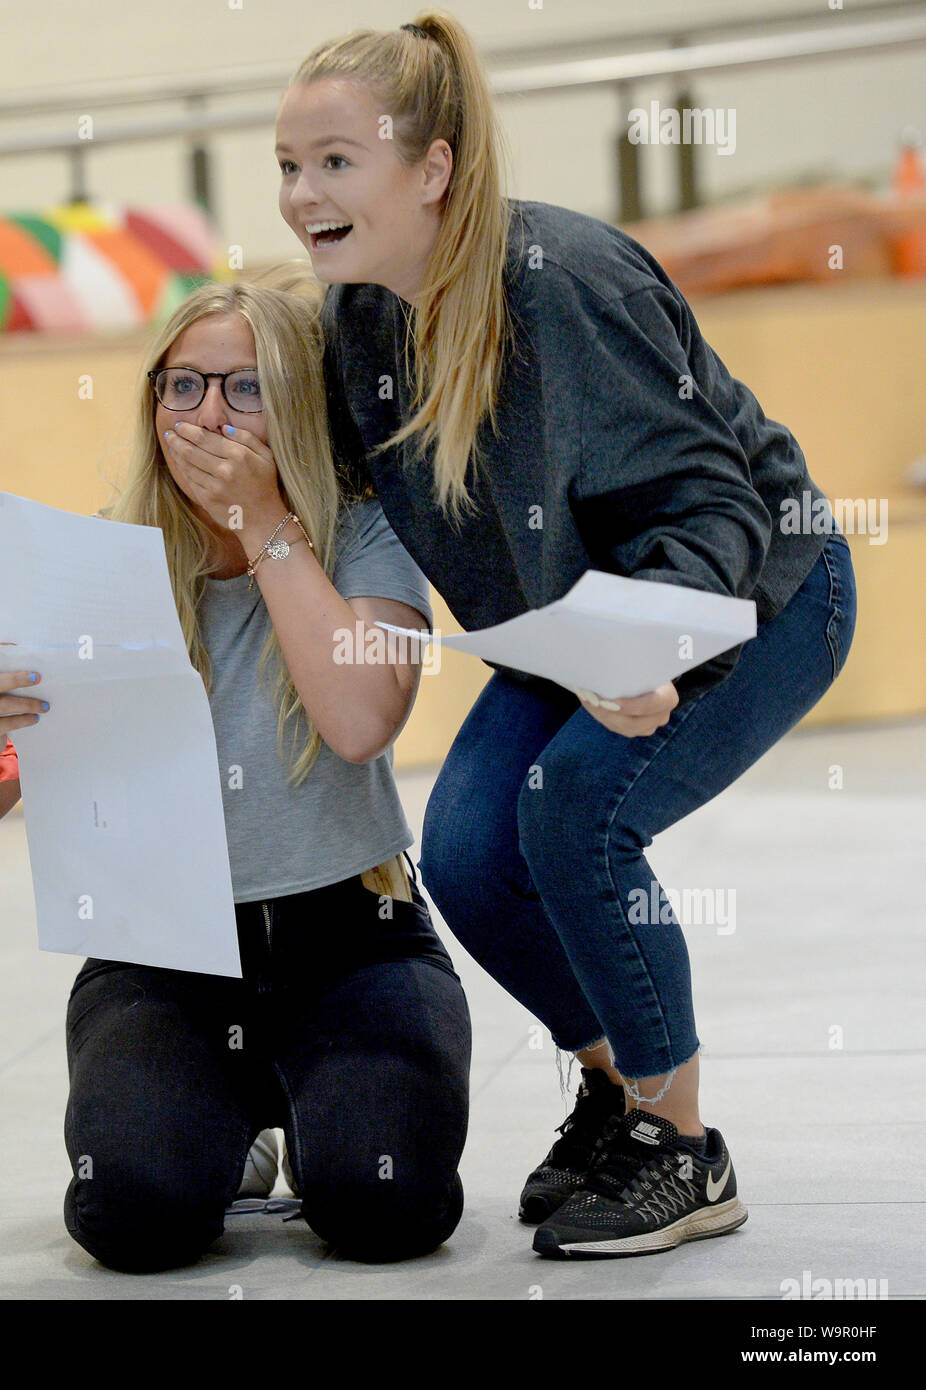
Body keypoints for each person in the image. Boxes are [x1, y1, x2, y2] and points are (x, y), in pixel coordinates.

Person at [274, 11, 858, 1259]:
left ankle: (683, 1148)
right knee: (471, 851)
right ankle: (616, 1092)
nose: (299, 194)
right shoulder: (361, 321)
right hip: (566, 627)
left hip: (753, 592)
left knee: (576, 807)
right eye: (287, 165)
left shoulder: (568, 282)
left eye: (334, 161)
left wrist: (653, 652)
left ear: (430, 170)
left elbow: (719, 502)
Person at [0, 265, 472, 1272]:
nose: (208, 412)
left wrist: (268, 527)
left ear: (297, 404)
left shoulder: (362, 533)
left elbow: (359, 722)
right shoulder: (112, 558)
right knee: (129, 1216)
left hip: (352, 936)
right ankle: (236, 1130)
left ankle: (318, 1118)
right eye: (183, 384)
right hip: (161, 955)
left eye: (245, 386)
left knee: (386, 1206)